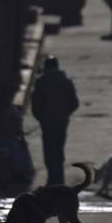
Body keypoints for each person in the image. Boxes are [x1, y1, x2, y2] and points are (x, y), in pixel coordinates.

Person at [30, 55, 80, 186]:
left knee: (49, 152)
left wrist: (41, 117)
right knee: (58, 150)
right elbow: (74, 103)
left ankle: (53, 179)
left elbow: (35, 105)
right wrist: (64, 114)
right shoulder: (66, 82)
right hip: (62, 123)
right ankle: (59, 179)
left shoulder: (41, 83)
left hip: (47, 124)